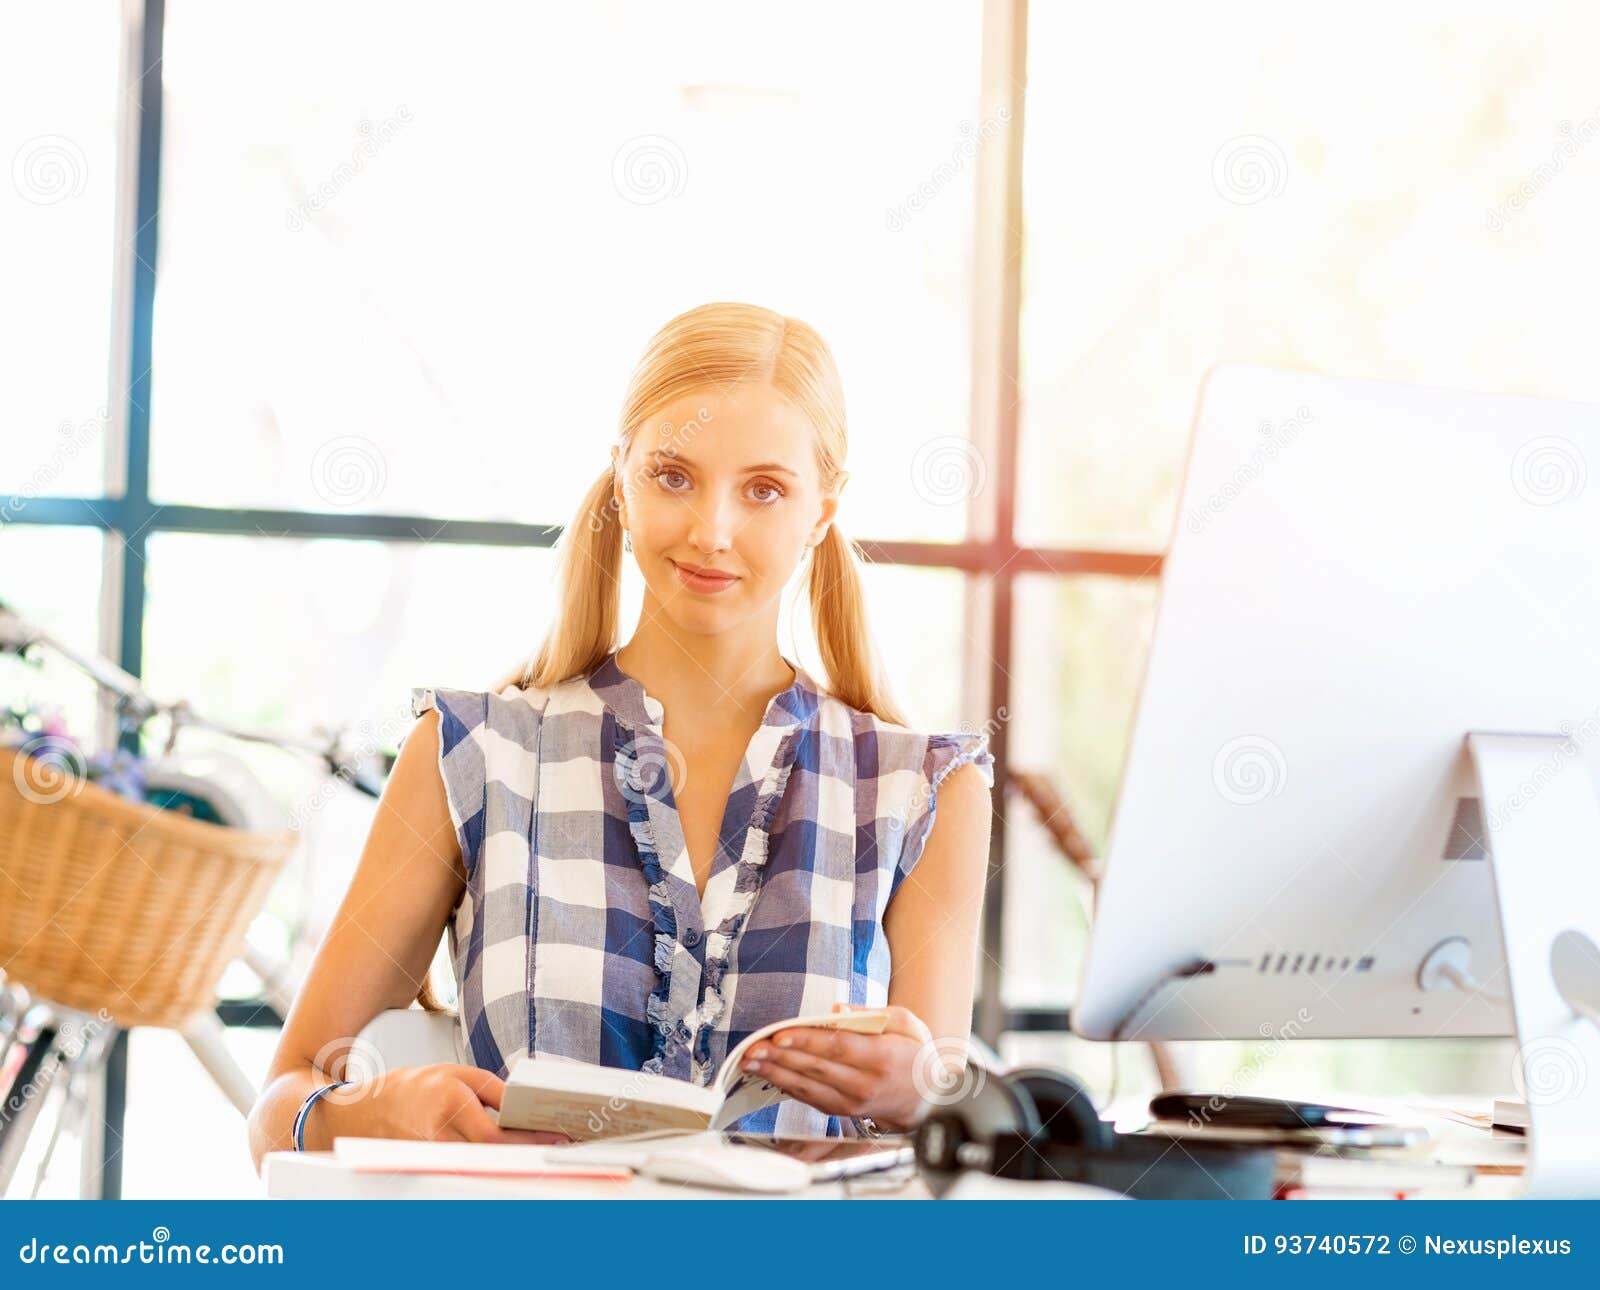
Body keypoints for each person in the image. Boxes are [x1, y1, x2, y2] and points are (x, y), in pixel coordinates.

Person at [248, 301, 994, 1171]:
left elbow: (954, 1152)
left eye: (764, 490)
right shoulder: (474, 755)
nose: (711, 530)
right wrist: (365, 1110)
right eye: (673, 475)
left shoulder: (920, 791)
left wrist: (925, 1092)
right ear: (623, 482)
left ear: (822, 511)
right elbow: (278, 1108)